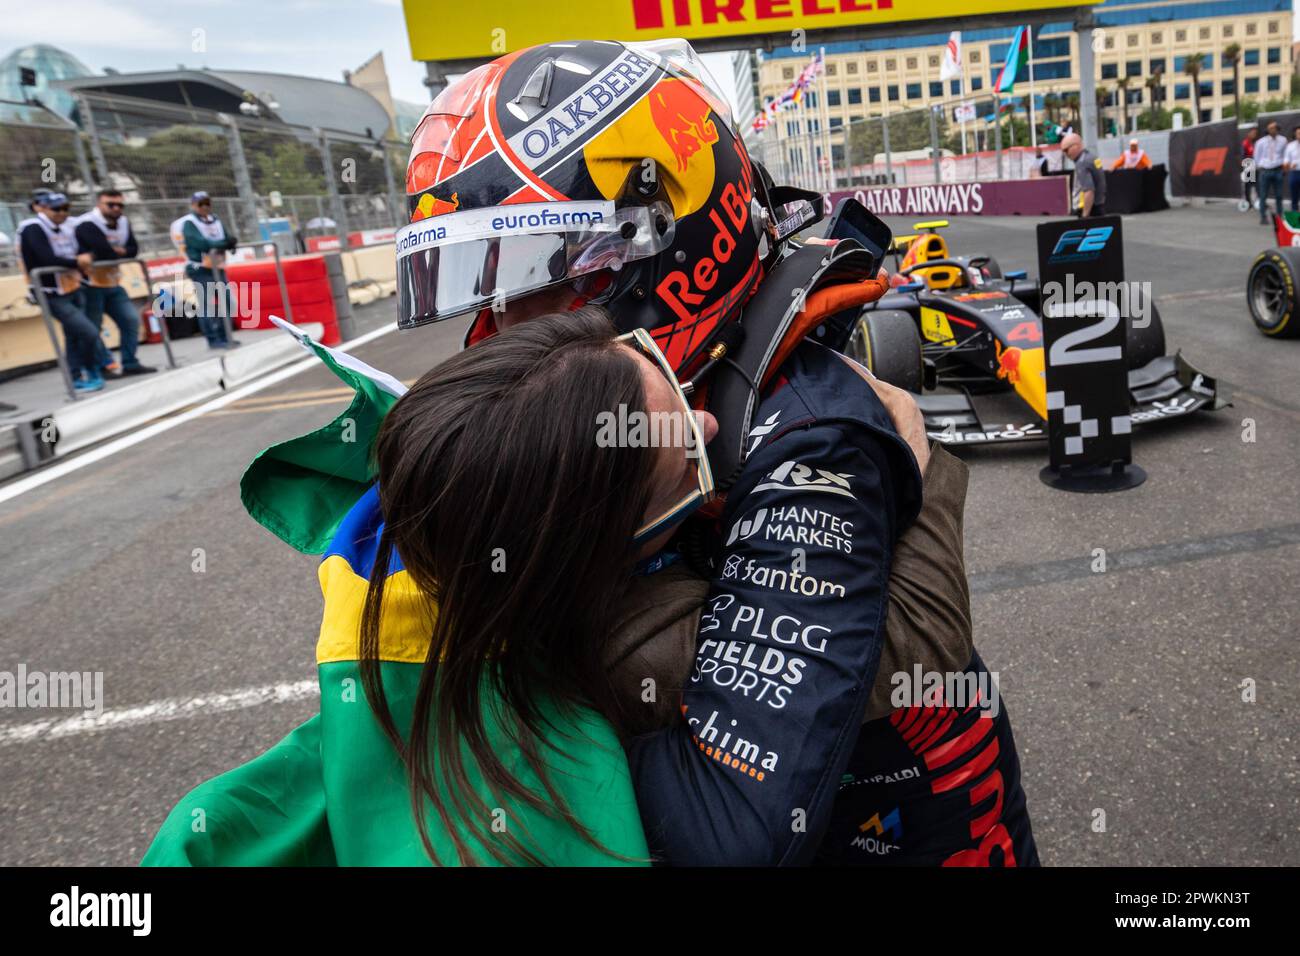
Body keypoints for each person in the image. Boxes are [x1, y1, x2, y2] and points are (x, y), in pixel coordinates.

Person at [145, 38, 1035, 867]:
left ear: (670, 244)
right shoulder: (587, 393)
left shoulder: (810, 428)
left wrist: (524, 624)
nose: (502, 324)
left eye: (543, 277)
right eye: (489, 281)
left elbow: (737, 816)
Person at [16, 192, 104, 393]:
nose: (62, 213)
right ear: (43, 208)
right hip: (51, 292)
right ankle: (89, 370)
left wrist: (87, 256)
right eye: (56, 209)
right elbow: (45, 258)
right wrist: (77, 262)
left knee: (73, 336)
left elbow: (89, 248)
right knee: (88, 333)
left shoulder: (69, 226)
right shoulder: (32, 228)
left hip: (73, 286)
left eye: (65, 208)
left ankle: (77, 377)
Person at [74, 189, 156, 376]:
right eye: (110, 204)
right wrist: (118, 250)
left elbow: (133, 250)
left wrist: (116, 251)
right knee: (92, 329)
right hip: (89, 285)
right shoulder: (86, 223)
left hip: (112, 282)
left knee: (130, 320)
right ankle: (103, 365)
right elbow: (104, 252)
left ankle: (130, 362)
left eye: (120, 205)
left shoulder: (124, 222)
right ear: (99, 204)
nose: (116, 208)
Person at [180, 191, 239, 349]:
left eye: (207, 203)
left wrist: (227, 243)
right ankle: (213, 339)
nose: (205, 207)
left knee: (227, 302)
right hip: (200, 269)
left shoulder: (216, 220)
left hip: (217, 266)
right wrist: (224, 244)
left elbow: (228, 238)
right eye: (201, 204)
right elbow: (202, 244)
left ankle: (225, 335)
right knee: (207, 305)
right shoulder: (190, 223)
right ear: (194, 205)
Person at [1061, 131, 1106, 218]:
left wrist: (1085, 216)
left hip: (1089, 209)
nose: (1066, 154)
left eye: (1066, 150)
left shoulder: (1082, 163)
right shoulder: (1091, 157)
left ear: (1076, 145)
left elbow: (1089, 190)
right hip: (1098, 206)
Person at [1255, 121, 1287, 224]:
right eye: (1270, 128)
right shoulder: (1261, 142)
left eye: (1274, 128)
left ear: (1278, 129)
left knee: (1279, 195)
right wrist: (1259, 166)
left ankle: (1279, 216)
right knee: (1263, 195)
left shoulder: (1283, 140)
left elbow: (1285, 155)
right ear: (1267, 130)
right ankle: (1263, 217)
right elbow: (1257, 156)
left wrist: (1284, 167)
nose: (1272, 130)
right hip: (1265, 171)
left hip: (1278, 170)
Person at [1242, 126, 1259, 211]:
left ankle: (1259, 203)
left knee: (1258, 186)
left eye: (1255, 134)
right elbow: (1243, 156)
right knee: (1248, 186)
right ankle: (1248, 204)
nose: (1254, 135)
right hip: (1249, 165)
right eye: (1252, 133)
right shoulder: (1245, 143)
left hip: (1258, 166)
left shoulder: (1257, 143)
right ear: (1248, 134)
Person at [1284, 127, 1300, 213]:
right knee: (1294, 196)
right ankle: (1295, 216)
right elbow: (1286, 159)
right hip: (1294, 173)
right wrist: (1289, 164)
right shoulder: (1290, 146)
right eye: (1298, 133)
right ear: (1295, 134)